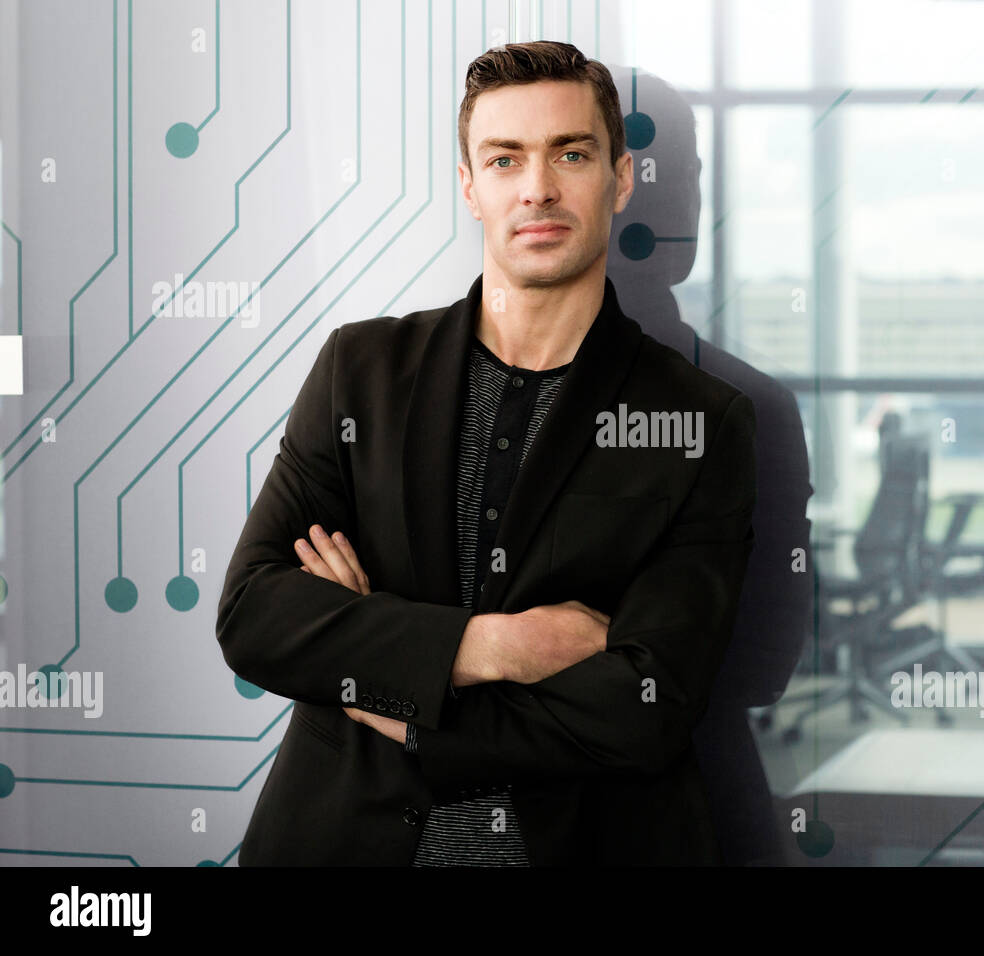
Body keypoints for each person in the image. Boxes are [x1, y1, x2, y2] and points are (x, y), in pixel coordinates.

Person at [215, 40, 758, 865]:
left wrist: (393, 692)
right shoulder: (360, 371)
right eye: (504, 159)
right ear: (470, 185)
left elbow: (645, 707)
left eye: (570, 153)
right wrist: (497, 648)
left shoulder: (702, 418)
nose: (537, 187)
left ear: (620, 179)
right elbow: (255, 614)